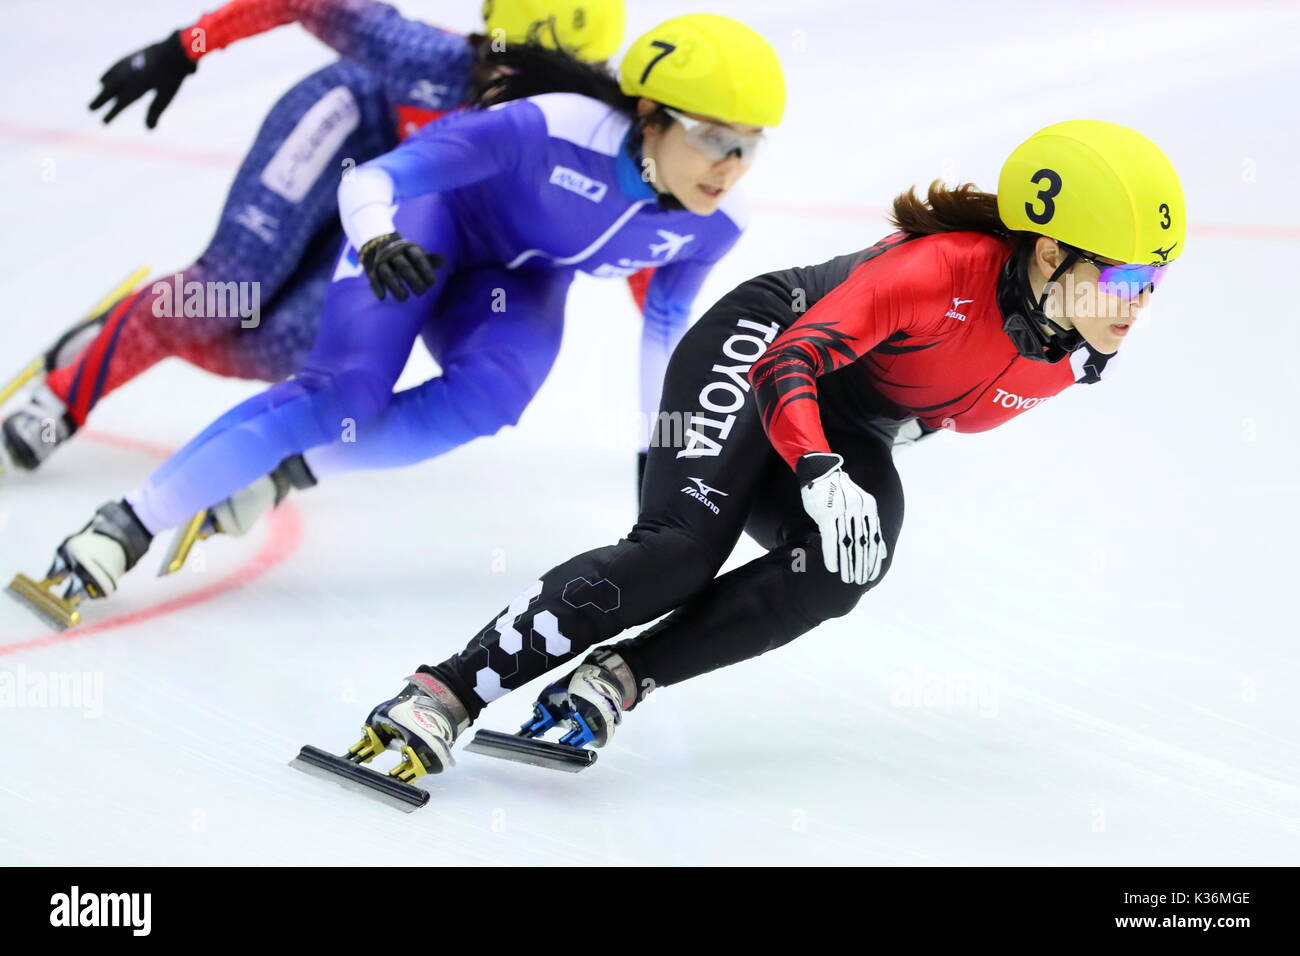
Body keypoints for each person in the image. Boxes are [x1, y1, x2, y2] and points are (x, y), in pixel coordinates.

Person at [307, 120, 1186, 786]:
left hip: (844, 420)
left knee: (848, 563)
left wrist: (844, 465)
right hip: (762, 346)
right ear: (1047, 250)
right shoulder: (937, 271)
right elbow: (788, 361)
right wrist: (813, 466)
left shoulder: (1073, 352)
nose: (1137, 303)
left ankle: (617, 678)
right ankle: (443, 692)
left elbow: (924, 403)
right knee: (680, 555)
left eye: (1153, 279)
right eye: (1120, 276)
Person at [15, 14, 788, 631]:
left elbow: (666, 326)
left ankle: (293, 470)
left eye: (751, 148)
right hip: (421, 226)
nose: (732, 167)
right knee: (333, 387)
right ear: (650, 116)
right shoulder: (547, 126)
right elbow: (385, 175)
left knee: (493, 396)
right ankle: (125, 525)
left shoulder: (714, 222)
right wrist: (378, 235)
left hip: (513, 280)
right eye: (716, 139)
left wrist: (660, 445)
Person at [0, 0, 625, 473]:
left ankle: (132, 324)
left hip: (405, 199)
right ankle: (63, 400)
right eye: (502, 68)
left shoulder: (591, 136)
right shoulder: (419, 57)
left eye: (547, 84)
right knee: (231, 287)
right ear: (479, 38)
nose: (511, 98)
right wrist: (184, 47)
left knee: (279, 348)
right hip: (348, 123)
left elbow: (653, 230)